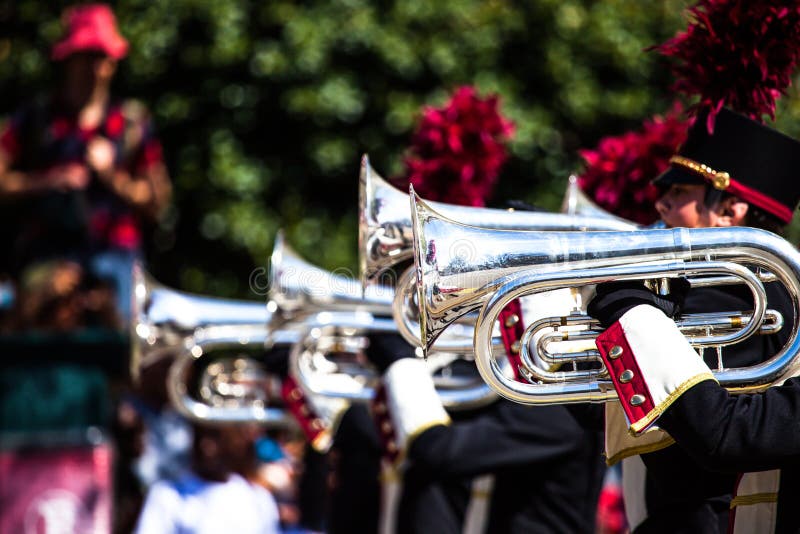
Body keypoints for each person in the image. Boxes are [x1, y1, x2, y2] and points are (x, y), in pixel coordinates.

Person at [586, 106, 800, 534]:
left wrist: (633, 313)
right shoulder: (711, 291)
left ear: (730, 211)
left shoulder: (750, 300)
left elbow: (714, 440)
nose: (661, 202)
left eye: (680, 192)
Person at [0, 3, 171, 324]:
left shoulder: (131, 124)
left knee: (123, 326)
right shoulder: (36, 120)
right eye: (87, 56)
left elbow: (156, 202)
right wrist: (48, 182)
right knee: (37, 311)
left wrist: (111, 177)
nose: (95, 67)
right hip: (48, 251)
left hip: (117, 255)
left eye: (102, 57)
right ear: (68, 59)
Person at [134, 421, 281, 534]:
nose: (206, 446)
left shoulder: (259, 499)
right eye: (200, 434)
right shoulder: (166, 495)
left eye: (216, 436)